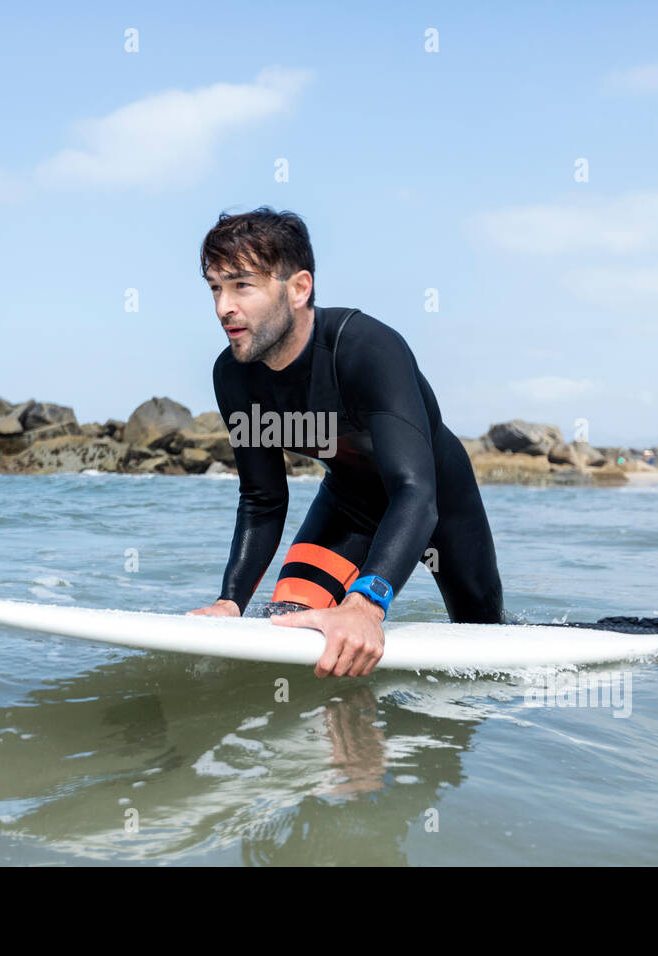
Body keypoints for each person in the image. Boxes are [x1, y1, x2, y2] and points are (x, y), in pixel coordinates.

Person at [187, 207, 503, 678]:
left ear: (298, 288)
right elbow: (263, 499)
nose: (222, 307)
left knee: (486, 645)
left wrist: (367, 605)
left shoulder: (366, 349)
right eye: (215, 287)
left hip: (434, 499)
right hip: (350, 505)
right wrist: (229, 601)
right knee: (293, 628)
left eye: (241, 286)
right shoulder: (235, 376)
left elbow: (415, 491)